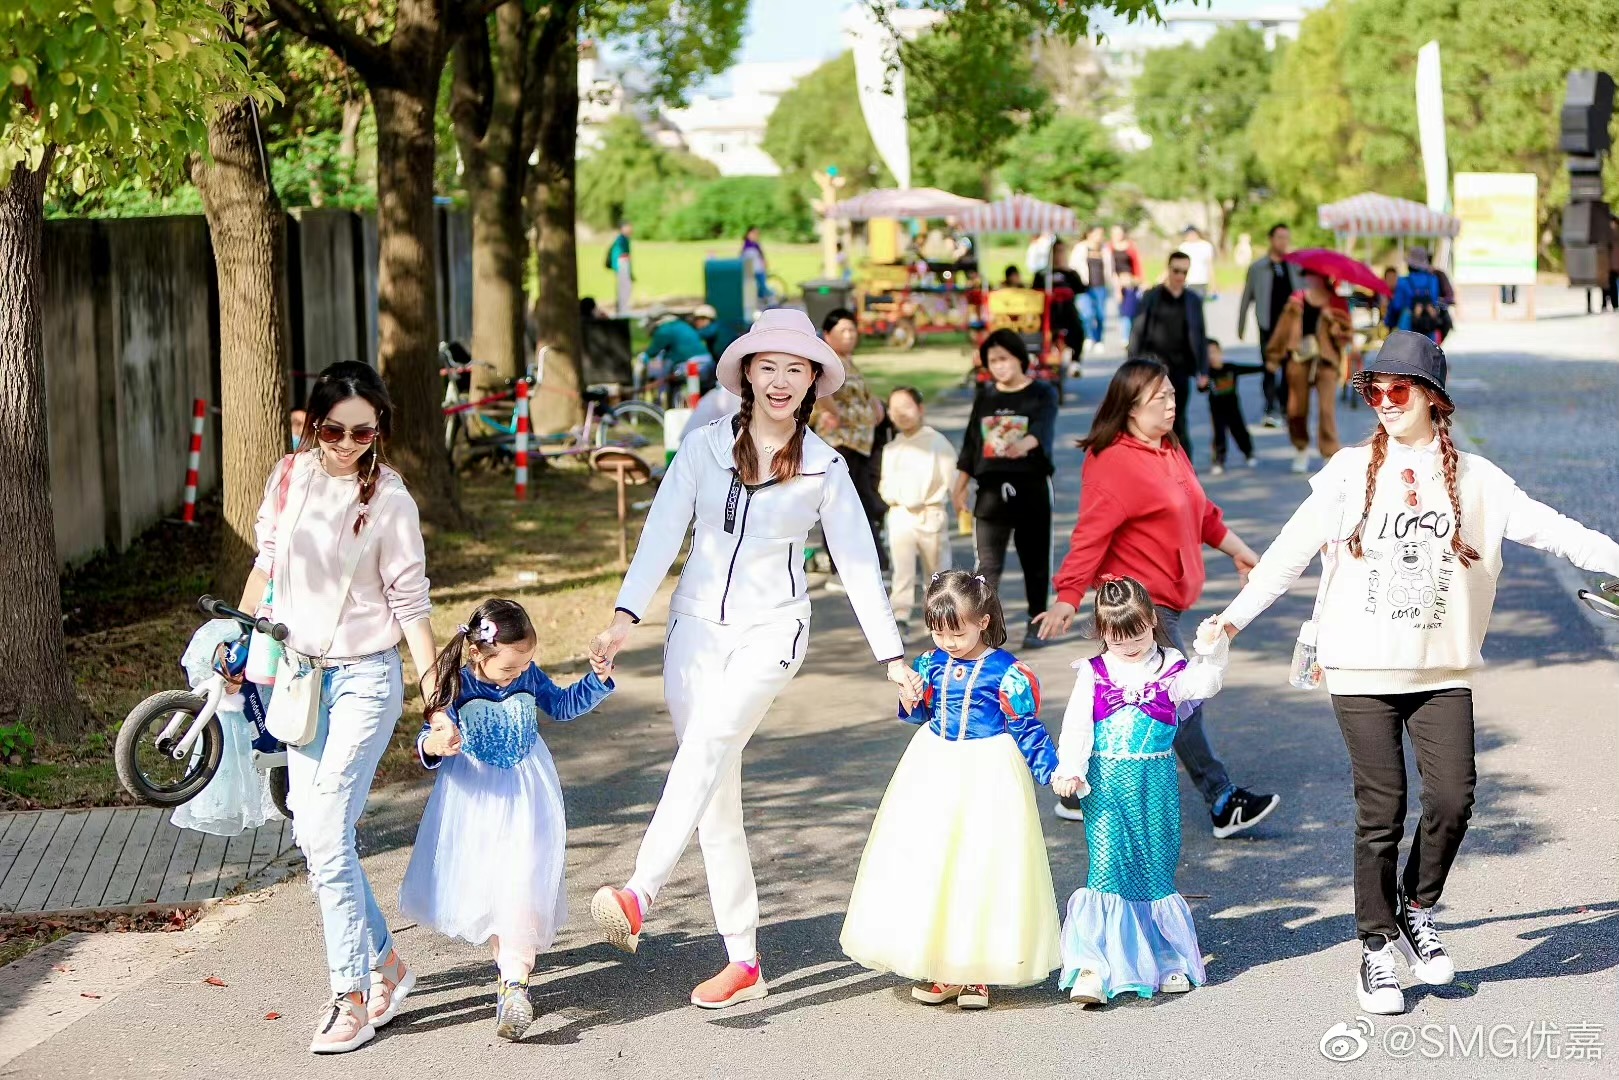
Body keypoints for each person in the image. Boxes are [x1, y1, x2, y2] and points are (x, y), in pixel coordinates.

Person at [1212, 331, 1619, 1016]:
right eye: (1373, 390)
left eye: (1397, 389)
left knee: (1454, 799)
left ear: (1433, 398)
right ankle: (1374, 947)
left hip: (1440, 665)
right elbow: (1286, 554)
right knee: (1381, 811)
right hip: (1359, 666)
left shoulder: (1479, 481)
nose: (1383, 401)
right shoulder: (1348, 473)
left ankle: (1415, 907)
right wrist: (1231, 620)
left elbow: (1557, 531)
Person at [585, 308, 921, 1010]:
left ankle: (640, 890)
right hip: (692, 628)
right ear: (745, 374)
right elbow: (661, 533)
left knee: (707, 745)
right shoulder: (702, 448)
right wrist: (625, 618)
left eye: (795, 369)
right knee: (713, 795)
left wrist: (891, 655)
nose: (780, 380)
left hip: (773, 629)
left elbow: (859, 565)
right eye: (767, 366)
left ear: (812, 382)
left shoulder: (826, 467)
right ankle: (743, 959)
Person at [240, 361, 437, 1055]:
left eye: (363, 432)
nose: (348, 444)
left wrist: (435, 701)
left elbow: (411, 607)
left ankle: (349, 998)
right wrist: (237, 642)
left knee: (324, 833)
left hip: (365, 683)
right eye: (333, 430)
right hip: (299, 680)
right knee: (317, 836)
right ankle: (388, 965)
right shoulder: (288, 478)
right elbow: (266, 565)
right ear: (311, 424)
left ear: (379, 429)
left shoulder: (391, 502)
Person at [1034, 359, 1278, 839]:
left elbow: (1202, 515)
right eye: (1159, 398)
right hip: (1139, 605)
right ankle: (1222, 800)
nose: (1170, 404)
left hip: (1170, 597)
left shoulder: (1168, 448)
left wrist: (1243, 553)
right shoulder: (1113, 462)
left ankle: (1076, 793)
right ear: (1130, 407)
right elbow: (1089, 536)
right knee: (1177, 697)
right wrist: (1068, 596)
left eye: (1172, 394)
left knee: (1129, 699)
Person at [840, 571, 1062, 1010]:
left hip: (988, 771)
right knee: (935, 862)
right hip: (934, 766)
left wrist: (1054, 773)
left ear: (983, 621)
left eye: (957, 633)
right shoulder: (930, 664)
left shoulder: (1008, 672)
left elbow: (1026, 728)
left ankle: (977, 970)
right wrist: (910, 696)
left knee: (982, 864)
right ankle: (942, 965)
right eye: (939, 633)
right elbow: (918, 713)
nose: (948, 643)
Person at [400, 599, 614, 1042]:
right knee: (495, 887)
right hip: (476, 804)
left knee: (520, 883)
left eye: (525, 664)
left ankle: (515, 984)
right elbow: (429, 736)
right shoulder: (456, 686)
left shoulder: (528, 677)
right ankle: (510, 979)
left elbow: (561, 704)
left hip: (527, 796)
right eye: (509, 667)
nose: (519, 673)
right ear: (478, 653)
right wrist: (437, 744)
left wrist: (598, 680)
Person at [1053, 577, 1229, 1004]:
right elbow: (1077, 724)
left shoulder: (1171, 664)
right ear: (1102, 632)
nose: (1129, 646)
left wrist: (1210, 648)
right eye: (1117, 639)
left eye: (1137, 635)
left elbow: (1204, 685)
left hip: (1156, 780)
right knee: (1107, 866)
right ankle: (1093, 966)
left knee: (1155, 864)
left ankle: (1166, 956)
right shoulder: (1093, 671)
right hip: (1107, 783)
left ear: (1152, 620)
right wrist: (1071, 768)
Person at [952, 329, 1059, 650]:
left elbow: (1042, 429)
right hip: (991, 490)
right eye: (993, 361)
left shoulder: (1042, 392)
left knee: (1035, 561)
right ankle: (985, 628)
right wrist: (960, 486)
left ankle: (1036, 621)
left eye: (1004, 359)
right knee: (987, 565)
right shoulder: (985, 396)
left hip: (1031, 486)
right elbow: (971, 443)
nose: (999, 366)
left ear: (1019, 358)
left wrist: (1022, 444)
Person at [813, 308, 888, 580]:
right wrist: (833, 412)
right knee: (842, 505)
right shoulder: (827, 361)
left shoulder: (848, 361)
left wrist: (875, 404)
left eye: (852, 330)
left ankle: (867, 561)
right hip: (841, 442)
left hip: (860, 443)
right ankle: (843, 566)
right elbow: (820, 390)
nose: (849, 335)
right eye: (842, 331)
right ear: (827, 334)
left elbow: (860, 392)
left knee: (860, 502)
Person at [879, 387, 956, 639]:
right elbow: (885, 483)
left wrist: (961, 505)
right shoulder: (892, 447)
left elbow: (953, 480)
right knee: (902, 570)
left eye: (906, 407)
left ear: (920, 409)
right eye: (895, 409)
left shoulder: (937, 442)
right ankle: (900, 614)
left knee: (937, 570)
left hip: (930, 513)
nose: (901, 414)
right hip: (900, 514)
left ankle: (939, 614)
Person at [1267, 270, 1354, 474]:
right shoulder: (1297, 300)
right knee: (1296, 409)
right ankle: (1301, 447)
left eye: (1315, 275)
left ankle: (1329, 452)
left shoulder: (1336, 302)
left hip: (1326, 360)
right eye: (1308, 275)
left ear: (1324, 278)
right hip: (1299, 357)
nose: (1311, 278)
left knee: (1326, 409)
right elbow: (1282, 330)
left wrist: (1333, 325)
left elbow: (1347, 334)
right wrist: (1274, 356)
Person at [1128, 251, 1209, 463]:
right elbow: (1137, 331)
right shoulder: (1152, 297)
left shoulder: (1192, 300)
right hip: (1154, 370)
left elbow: (1200, 335)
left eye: (1184, 272)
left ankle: (1183, 465)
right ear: (1168, 270)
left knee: (1177, 418)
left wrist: (1203, 370)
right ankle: (1153, 463)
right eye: (1176, 271)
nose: (1180, 276)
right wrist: (1133, 366)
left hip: (1181, 369)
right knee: (1152, 420)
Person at [1237, 223, 1304, 427]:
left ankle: (1284, 406)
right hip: (1268, 325)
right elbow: (1247, 296)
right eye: (1280, 238)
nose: (1283, 242)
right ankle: (1270, 406)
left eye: (1286, 238)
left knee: (1289, 369)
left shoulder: (1294, 266)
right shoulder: (1258, 268)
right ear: (1271, 239)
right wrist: (1241, 325)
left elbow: (1303, 293)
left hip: (1290, 327)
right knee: (1269, 368)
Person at [1204, 338, 1263, 475]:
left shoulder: (1231, 368)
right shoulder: (1208, 373)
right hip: (1216, 411)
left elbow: (1248, 369)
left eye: (1214, 352)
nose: (1212, 356)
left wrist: (1265, 368)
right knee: (1219, 435)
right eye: (1208, 354)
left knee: (1240, 431)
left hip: (1233, 408)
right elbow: (1201, 388)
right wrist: (1202, 384)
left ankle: (1248, 453)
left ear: (1220, 352)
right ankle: (1219, 460)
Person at [640, 311, 714, 405]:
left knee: (673, 382)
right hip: (708, 362)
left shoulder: (663, 331)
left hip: (690, 365)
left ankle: (672, 405)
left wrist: (644, 359)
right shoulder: (682, 325)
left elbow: (652, 352)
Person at [1032, 238, 1085, 369]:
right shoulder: (1042, 274)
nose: (1059, 255)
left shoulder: (1071, 274)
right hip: (1048, 312)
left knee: (1078, 329)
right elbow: (1034, 292)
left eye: (1062, 252)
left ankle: (1075, 359)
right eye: (1056, 252)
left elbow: (1080, 288)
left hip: (1067, 311)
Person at [1384, 247, 1452, 343]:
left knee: (1405, 349)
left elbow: (1397, 305)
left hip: (1408, 325)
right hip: (1428, 323)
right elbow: (1434, 300)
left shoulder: (1403, 282)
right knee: (1429, 349)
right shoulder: (1433, 280)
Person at [1075, 225, 1112, 350]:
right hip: (1084, 286)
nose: (1100, 237)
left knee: (1100, 315)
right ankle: (1089, 336)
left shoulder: (1105, 249)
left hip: (1100, 286)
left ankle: (1099, 339)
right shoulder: (1081, 248)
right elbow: (1074, 266)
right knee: (1086, 314)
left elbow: (1110, 268)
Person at [1108, 225, 1143, 348]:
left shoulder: (1131, 247)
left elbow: (1137, 265)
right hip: (1115, 282)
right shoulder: (1108, 248)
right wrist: (1116, 281)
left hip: (1130, 282)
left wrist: (1137, 279)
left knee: (1129, 311)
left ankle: (1127, 337)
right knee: (1121, 310)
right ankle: (1126, 334)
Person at [1180, 226, 1216, 299]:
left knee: (1199, 302)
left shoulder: (1206, 246)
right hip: (1187, 281)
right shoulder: (1183, 247)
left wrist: (1213, 283)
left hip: (1201, 281)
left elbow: (1210, 265)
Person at [606, 223, 633, 315]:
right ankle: (622, 309)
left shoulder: (623, 239)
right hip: (622, 265)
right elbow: (621, 255)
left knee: (625, 287)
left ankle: (623, 308)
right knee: (623, 288)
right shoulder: (621, 240)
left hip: (623, 265)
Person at [741, 225, 770, 301]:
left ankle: (766, 298)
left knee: (762, 286)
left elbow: (761, 255)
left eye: (757, 234)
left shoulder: (756, 244)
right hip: (752, 269)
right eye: (754, 233)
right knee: (755, 286)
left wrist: (764, 262)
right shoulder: (747, 245)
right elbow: (743, 257)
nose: (756, 235)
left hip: (759, 268)